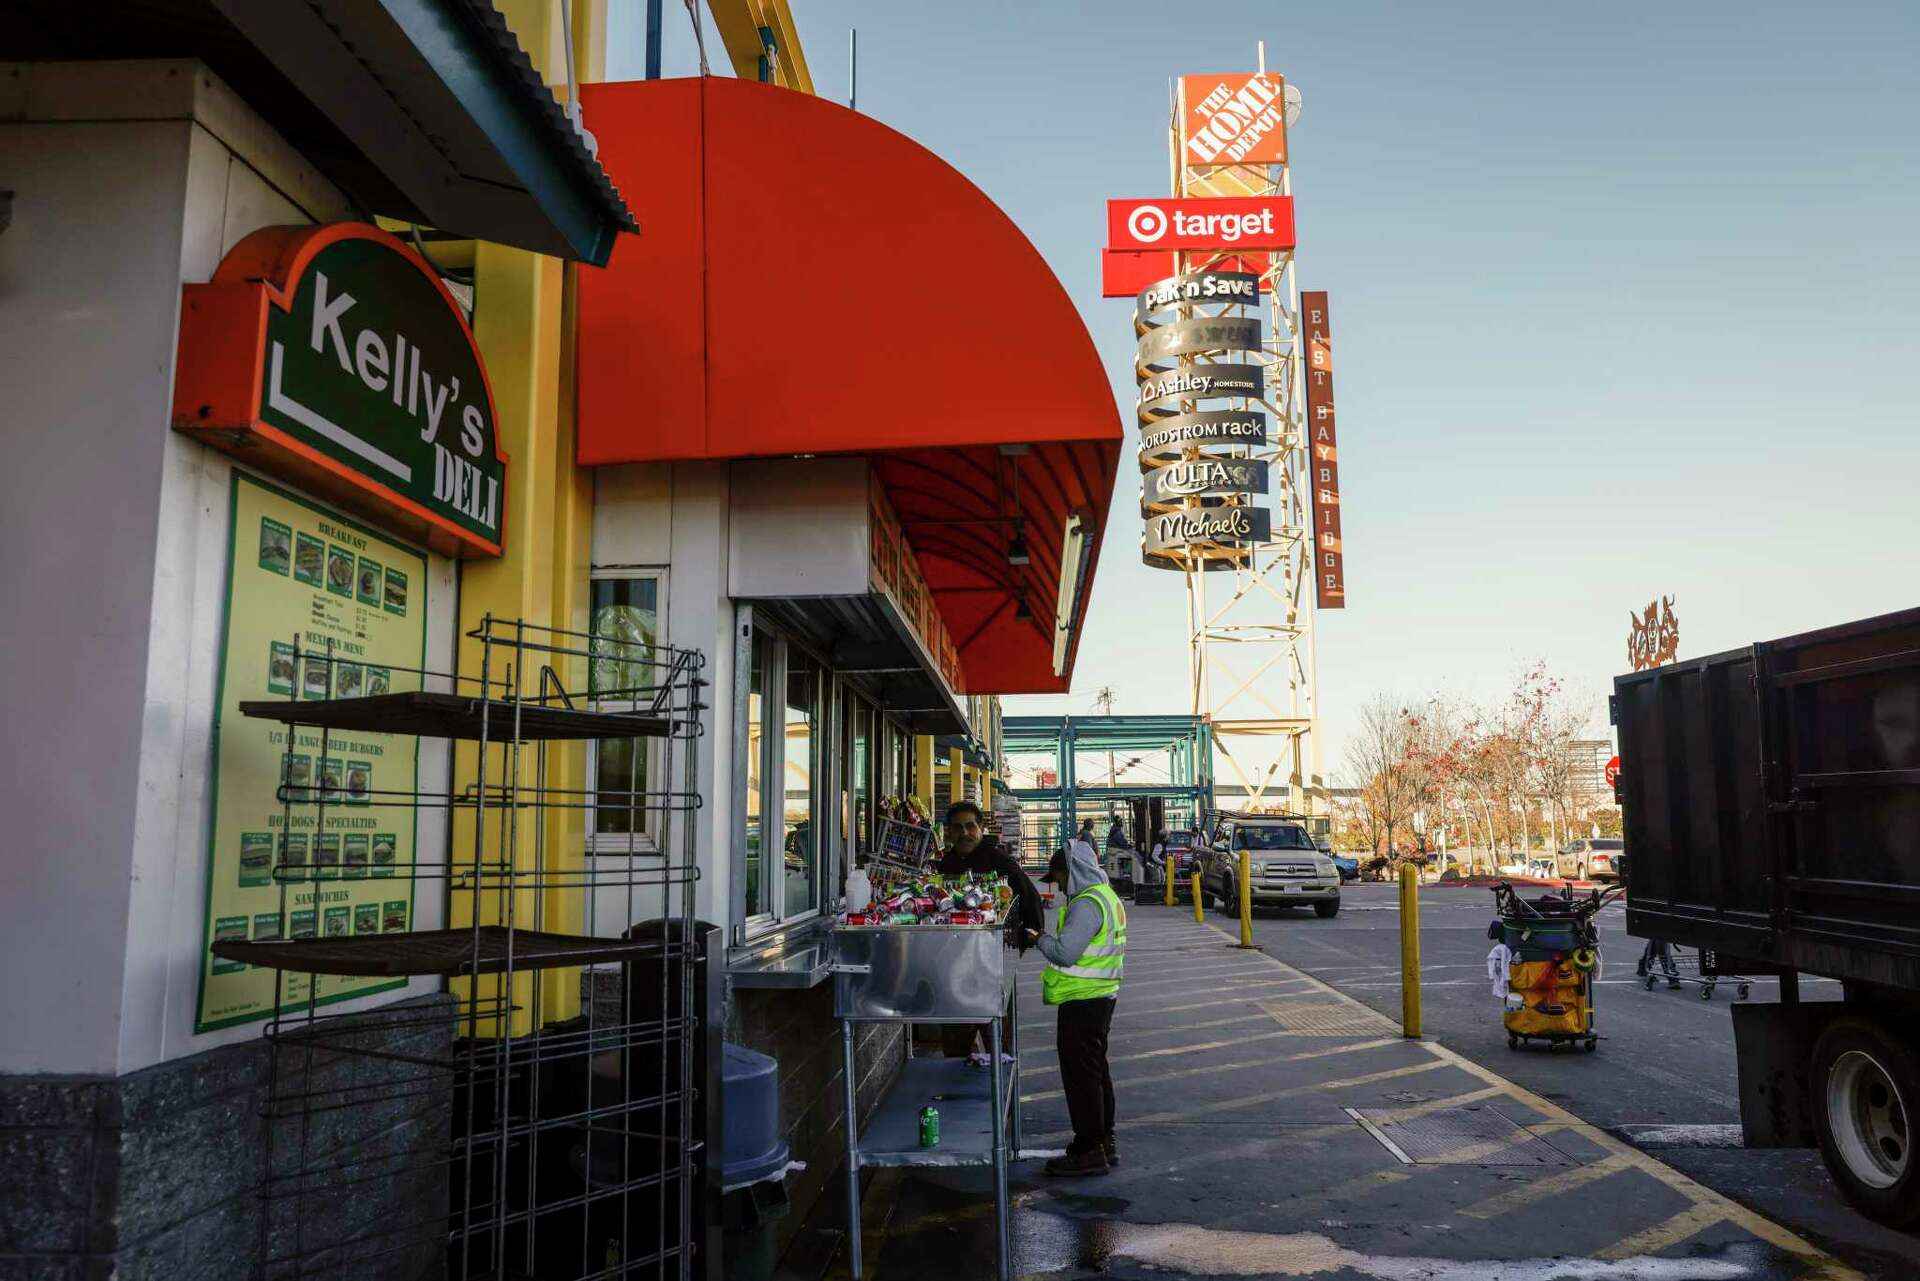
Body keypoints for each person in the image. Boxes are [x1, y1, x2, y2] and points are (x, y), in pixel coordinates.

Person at [1025, 839, 1127, 1177]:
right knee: (1095, 1070)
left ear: (1074, 871)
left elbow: (1065, 953)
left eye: (1060, 878)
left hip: (1083, 1000)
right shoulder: (1106, 896)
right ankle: (1103, 1141)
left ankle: (1088, 1150)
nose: (1060, 886)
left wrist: (1037, 938)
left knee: (1081, 1075)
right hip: (1100, 995)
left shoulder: (1087, 903)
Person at [934, 800, 1044, 1057]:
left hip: (994, 971)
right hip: (955, 973)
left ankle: (1000, 1089)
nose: (964, 833)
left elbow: (1030, 899)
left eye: (970, 826)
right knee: (955, 1048)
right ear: (948, 832)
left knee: (1000, 1047)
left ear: (981, 828)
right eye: (957, 828)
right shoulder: (944, 867)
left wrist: (1019, 943)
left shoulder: (999, 862)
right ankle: (960, 1090)